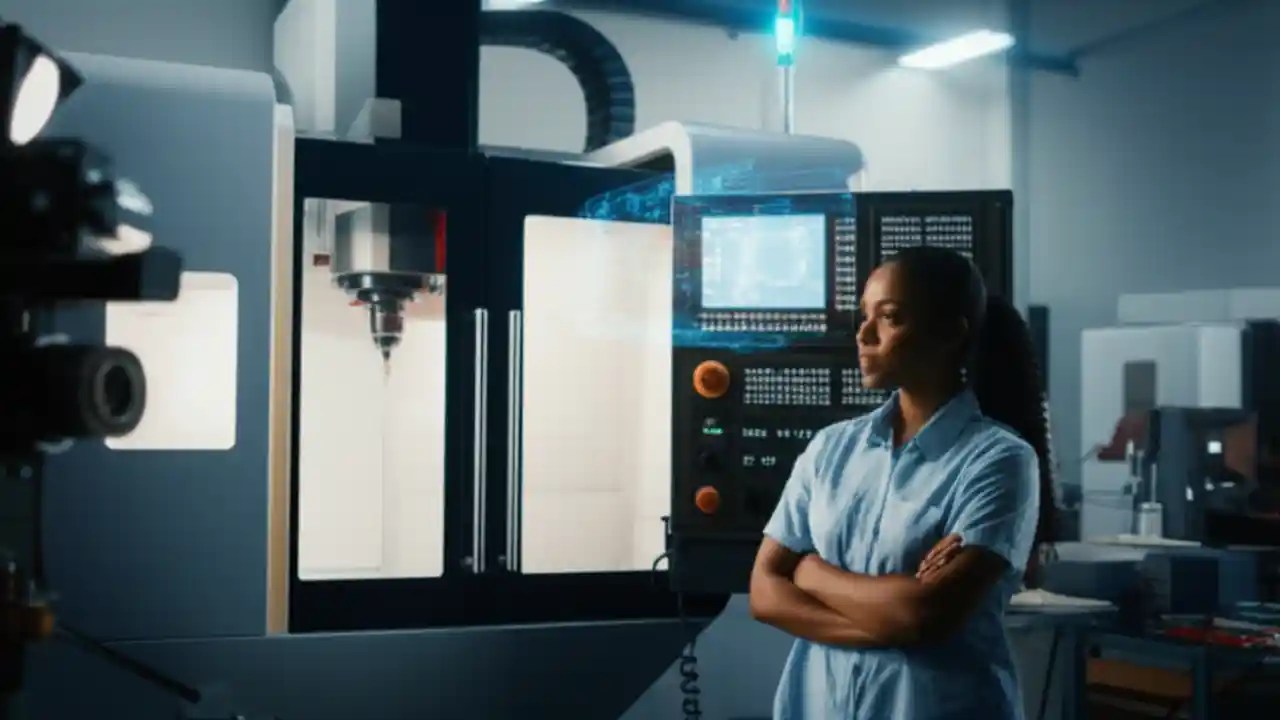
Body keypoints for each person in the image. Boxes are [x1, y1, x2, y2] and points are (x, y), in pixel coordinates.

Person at [748, 246, 1057, 719]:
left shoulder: (999, 460)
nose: (864, 334)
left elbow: (922, 614)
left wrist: (809, 571)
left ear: (950, 333)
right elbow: (765, 593)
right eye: (864, 316)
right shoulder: (831, 449)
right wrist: (889, 623)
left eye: (890, 317)